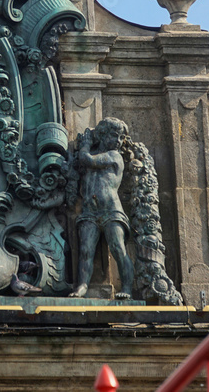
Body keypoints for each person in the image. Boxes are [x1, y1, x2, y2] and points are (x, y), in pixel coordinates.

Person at [69, 118, 136, 300]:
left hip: (110, 210)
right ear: (102, 135)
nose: (118, 141)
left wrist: (85, 144)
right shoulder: (93, 156)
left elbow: (87, 160)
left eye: (121, 137)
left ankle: (127, 287)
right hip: (90, 211)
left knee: (118, 248)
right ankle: (82, 286)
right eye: (114, 135)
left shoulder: (114, 156)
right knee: (85, 250)